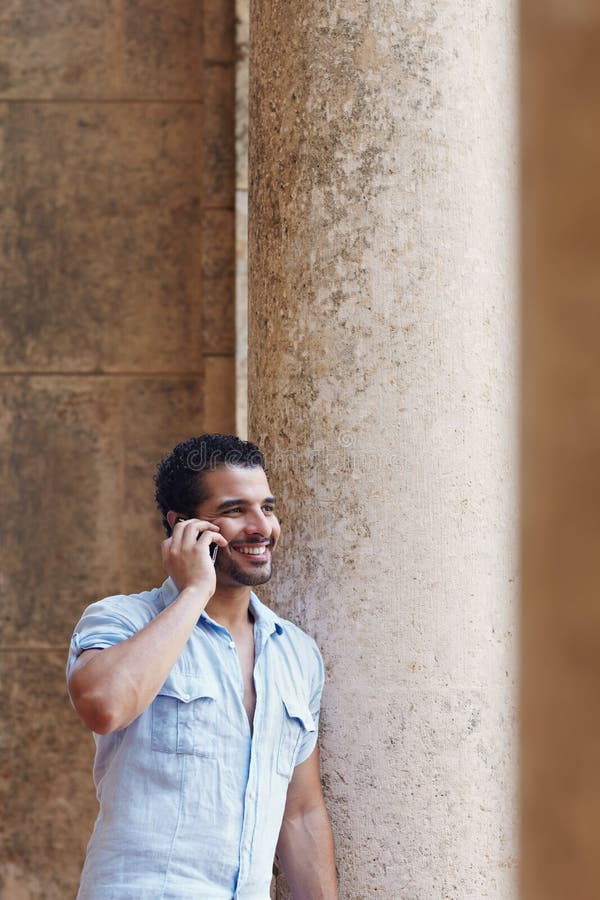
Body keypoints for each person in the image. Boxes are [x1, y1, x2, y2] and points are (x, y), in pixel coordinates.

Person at [67, 434, 338, 900]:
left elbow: (300, 813)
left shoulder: (295, 652)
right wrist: (194, 591)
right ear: (182, 526)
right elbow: (103, 706)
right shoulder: (123, 619)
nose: (261, 527)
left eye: (267, 508)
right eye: (235, 510)